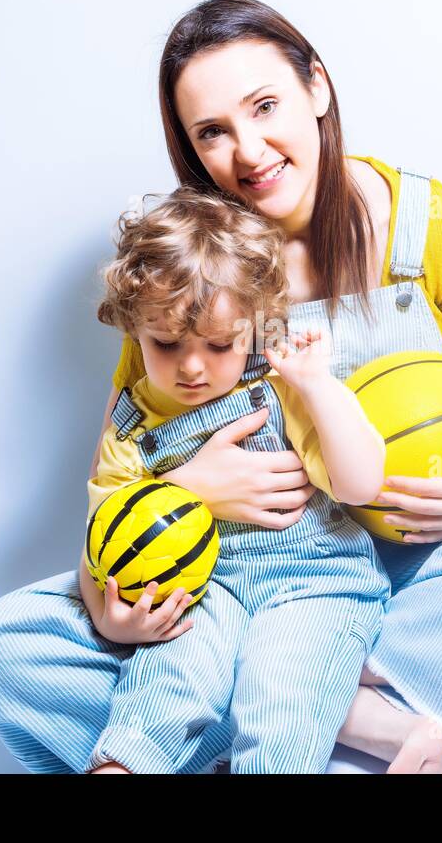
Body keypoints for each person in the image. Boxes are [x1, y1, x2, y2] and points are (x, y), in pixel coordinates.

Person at [0, 0, 442, 774]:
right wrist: (188, 493)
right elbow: (116, 479)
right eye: (212, 131)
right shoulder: (193, 274)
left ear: (317, 87)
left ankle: (288, 701)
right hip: (231, 582)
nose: (248, 151)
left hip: (409, 564)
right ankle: (350, 713)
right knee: (3, 645)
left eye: (264, 105)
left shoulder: (428, 223)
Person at [78, 188, 396, 773]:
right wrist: (106, 614)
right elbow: (104, 537)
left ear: (256, 325)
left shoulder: (280, 389)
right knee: (164, 678)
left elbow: (359, 485)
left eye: (220, 344)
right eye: (166, 344)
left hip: (314, 582)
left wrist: (319, 386)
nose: (192, 367)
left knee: (281, 696)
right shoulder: (132, 422)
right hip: (205, 593)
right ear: (133, 329)